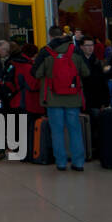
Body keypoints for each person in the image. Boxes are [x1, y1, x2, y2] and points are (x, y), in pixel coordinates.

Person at [31, 25, 90, 171]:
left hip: (52, 98)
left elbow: (36, 73)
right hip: (73, 97)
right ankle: (78, 162)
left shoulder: (46, 52)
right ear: (63, 35)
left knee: (57, 131)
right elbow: (86, 72)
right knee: (75, 130)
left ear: (50, 36)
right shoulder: (74, 50)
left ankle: (61, 163)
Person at [79, 37, 111, 110]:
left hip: (95, 100)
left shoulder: (96, 62)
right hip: (82, 99)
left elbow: (102, 82)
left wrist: (105, 101)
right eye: (87, 45)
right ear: (81, 47)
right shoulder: (78, 62)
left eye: (92, 45)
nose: (91, 48)